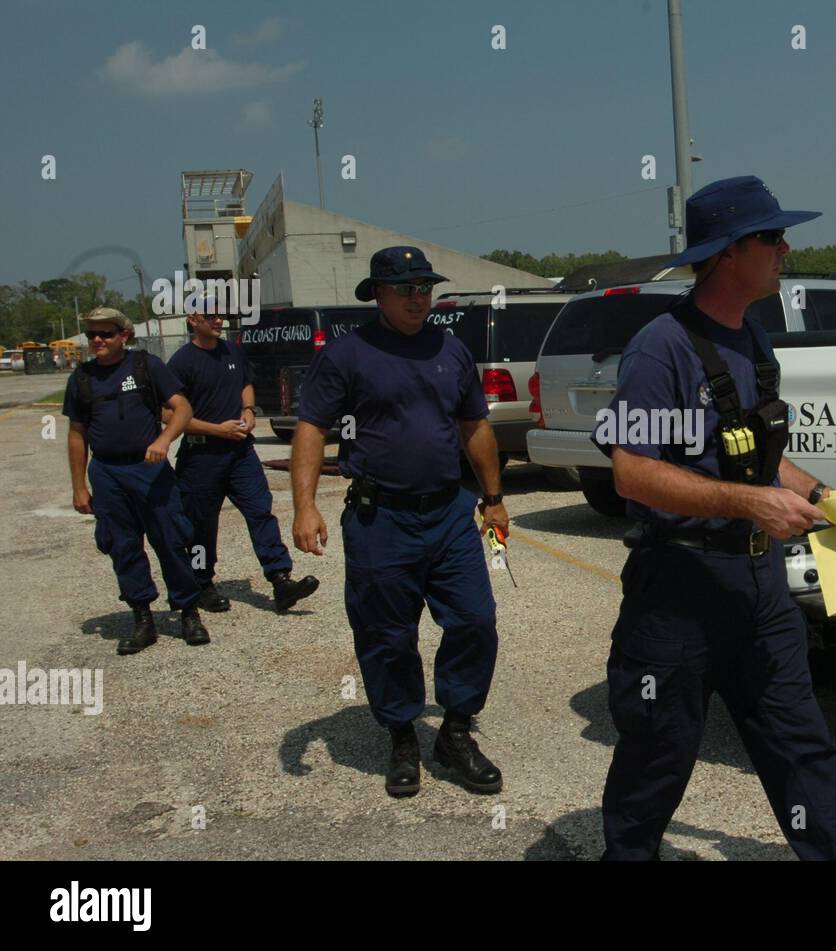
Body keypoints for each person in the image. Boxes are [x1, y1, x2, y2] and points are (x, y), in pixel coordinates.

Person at [595, 176, 836, 860]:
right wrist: (748, 502)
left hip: (758, 586)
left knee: (802, 747)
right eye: (772, 237)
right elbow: (630, 470)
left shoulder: (753, 340)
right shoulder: (659, 349)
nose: (786, 248)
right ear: (729, 252)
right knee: (657, 756)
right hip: (678, 588)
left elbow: (758, 459)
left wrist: (825, 500)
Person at [290, 247, 508, 798]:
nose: (419, 297)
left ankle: (455, 732)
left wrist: (494, 496)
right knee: (387, 636)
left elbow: (475, 426)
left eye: (425, 287)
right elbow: (312, 428)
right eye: (406, 288)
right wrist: (305, 505)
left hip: (450, 515)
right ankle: (403, 735)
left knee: (474, 621)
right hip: (379, 518)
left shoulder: (451, 351)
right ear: (379, 294)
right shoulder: (347, 354)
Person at [63, 307, 210, 654]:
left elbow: (183, 408)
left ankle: (188, 611)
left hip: (149, 471)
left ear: (123, 335)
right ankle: (142, 617)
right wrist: (79, 486)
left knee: (172, 539)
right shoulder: (82, 378)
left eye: (105, 334)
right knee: (122, 546)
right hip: (108, 473)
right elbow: (76, 434)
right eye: (92, 335)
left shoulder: (146, 366)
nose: (97, 340)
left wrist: (164, 440)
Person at [166, 295, 319, 613]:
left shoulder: (231, 351)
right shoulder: (182, 362)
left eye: (221, 315)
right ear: (193, 319)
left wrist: (248, 409)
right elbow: (168, 415)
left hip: (240, 454)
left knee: (260, 511)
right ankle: (201, 583)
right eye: (210, 315)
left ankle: (280, 580)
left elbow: (244, 384)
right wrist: (215, 429)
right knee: (200, 524)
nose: (218, 320)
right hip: (201, 457)